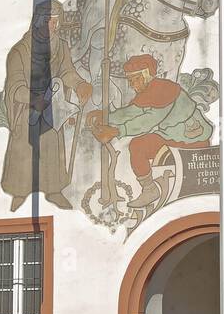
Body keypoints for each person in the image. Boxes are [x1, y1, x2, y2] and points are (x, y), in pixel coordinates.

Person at [87, 53, 213, 209]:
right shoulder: (151, 91)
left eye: (135, 80)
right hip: (172, 136)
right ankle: (150, 189)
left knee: (138, 145)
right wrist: (105, 117)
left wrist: (116, 131)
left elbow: (147, 121)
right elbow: (131, 112)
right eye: (130, 81)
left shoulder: (164, 90)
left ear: (146, 75)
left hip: (192, 141)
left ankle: (149, 190)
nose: (132, 85)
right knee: (138, 146)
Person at [1, 0, 92, 210]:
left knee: (52, 145)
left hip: (51, 103)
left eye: (56, 22)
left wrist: (79, 85)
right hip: (28, 108)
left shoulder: (60, 46)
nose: (54, 26)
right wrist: (33, 99)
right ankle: (19, 191)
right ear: (40, 21)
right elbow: (15, 85)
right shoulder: (20, 51)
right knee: (24, 147)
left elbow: (67, 72)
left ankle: (53, 190)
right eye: (50, 21)